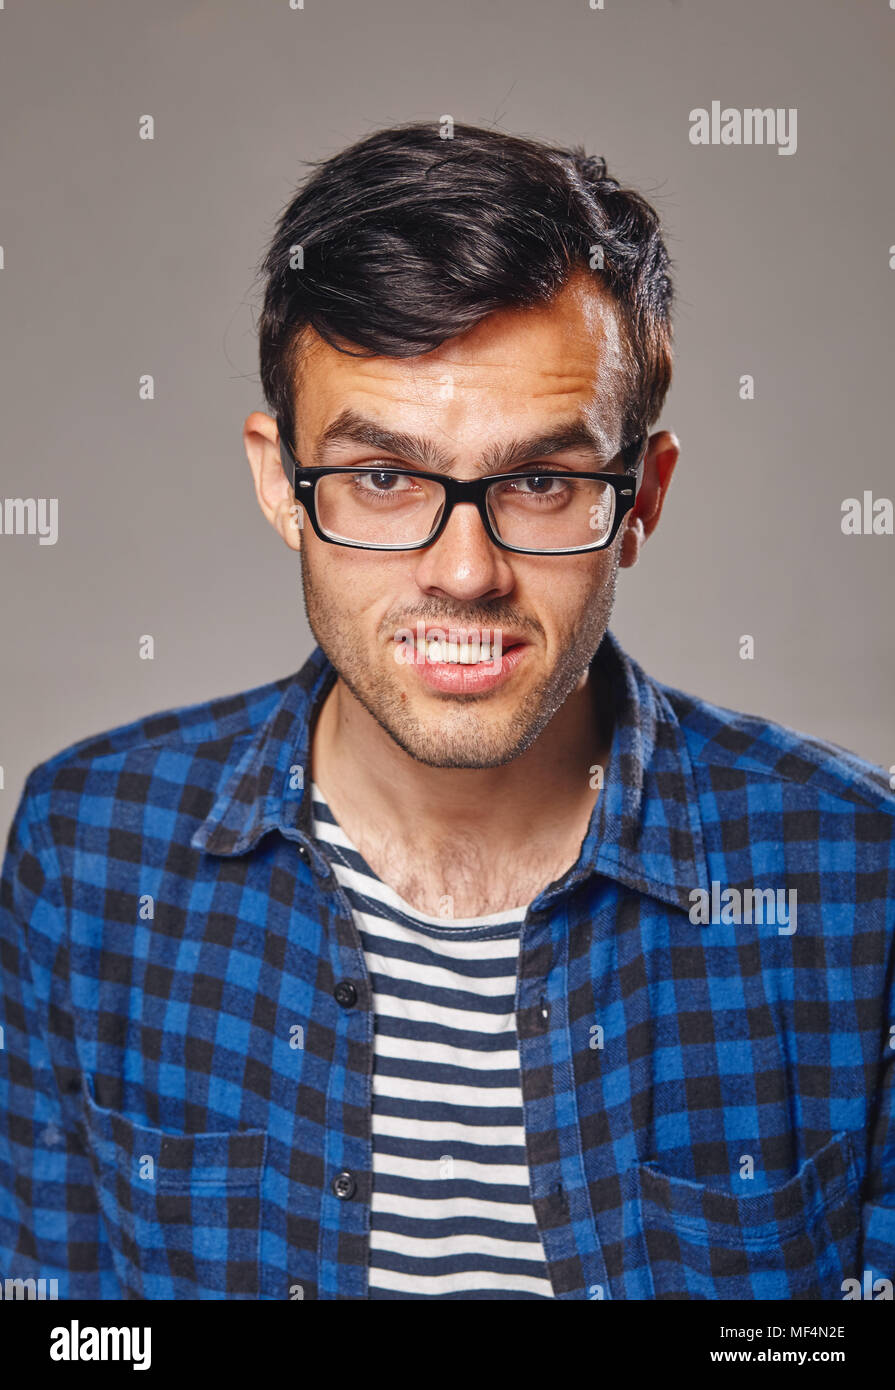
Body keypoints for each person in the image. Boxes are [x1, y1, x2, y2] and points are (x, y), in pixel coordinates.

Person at [1, 122, 892, 1301]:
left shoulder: (855, 875)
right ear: (281, 483)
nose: (463, 570)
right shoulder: (90, 850)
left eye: (540, 481)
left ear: (641, 498)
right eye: (382, 479)